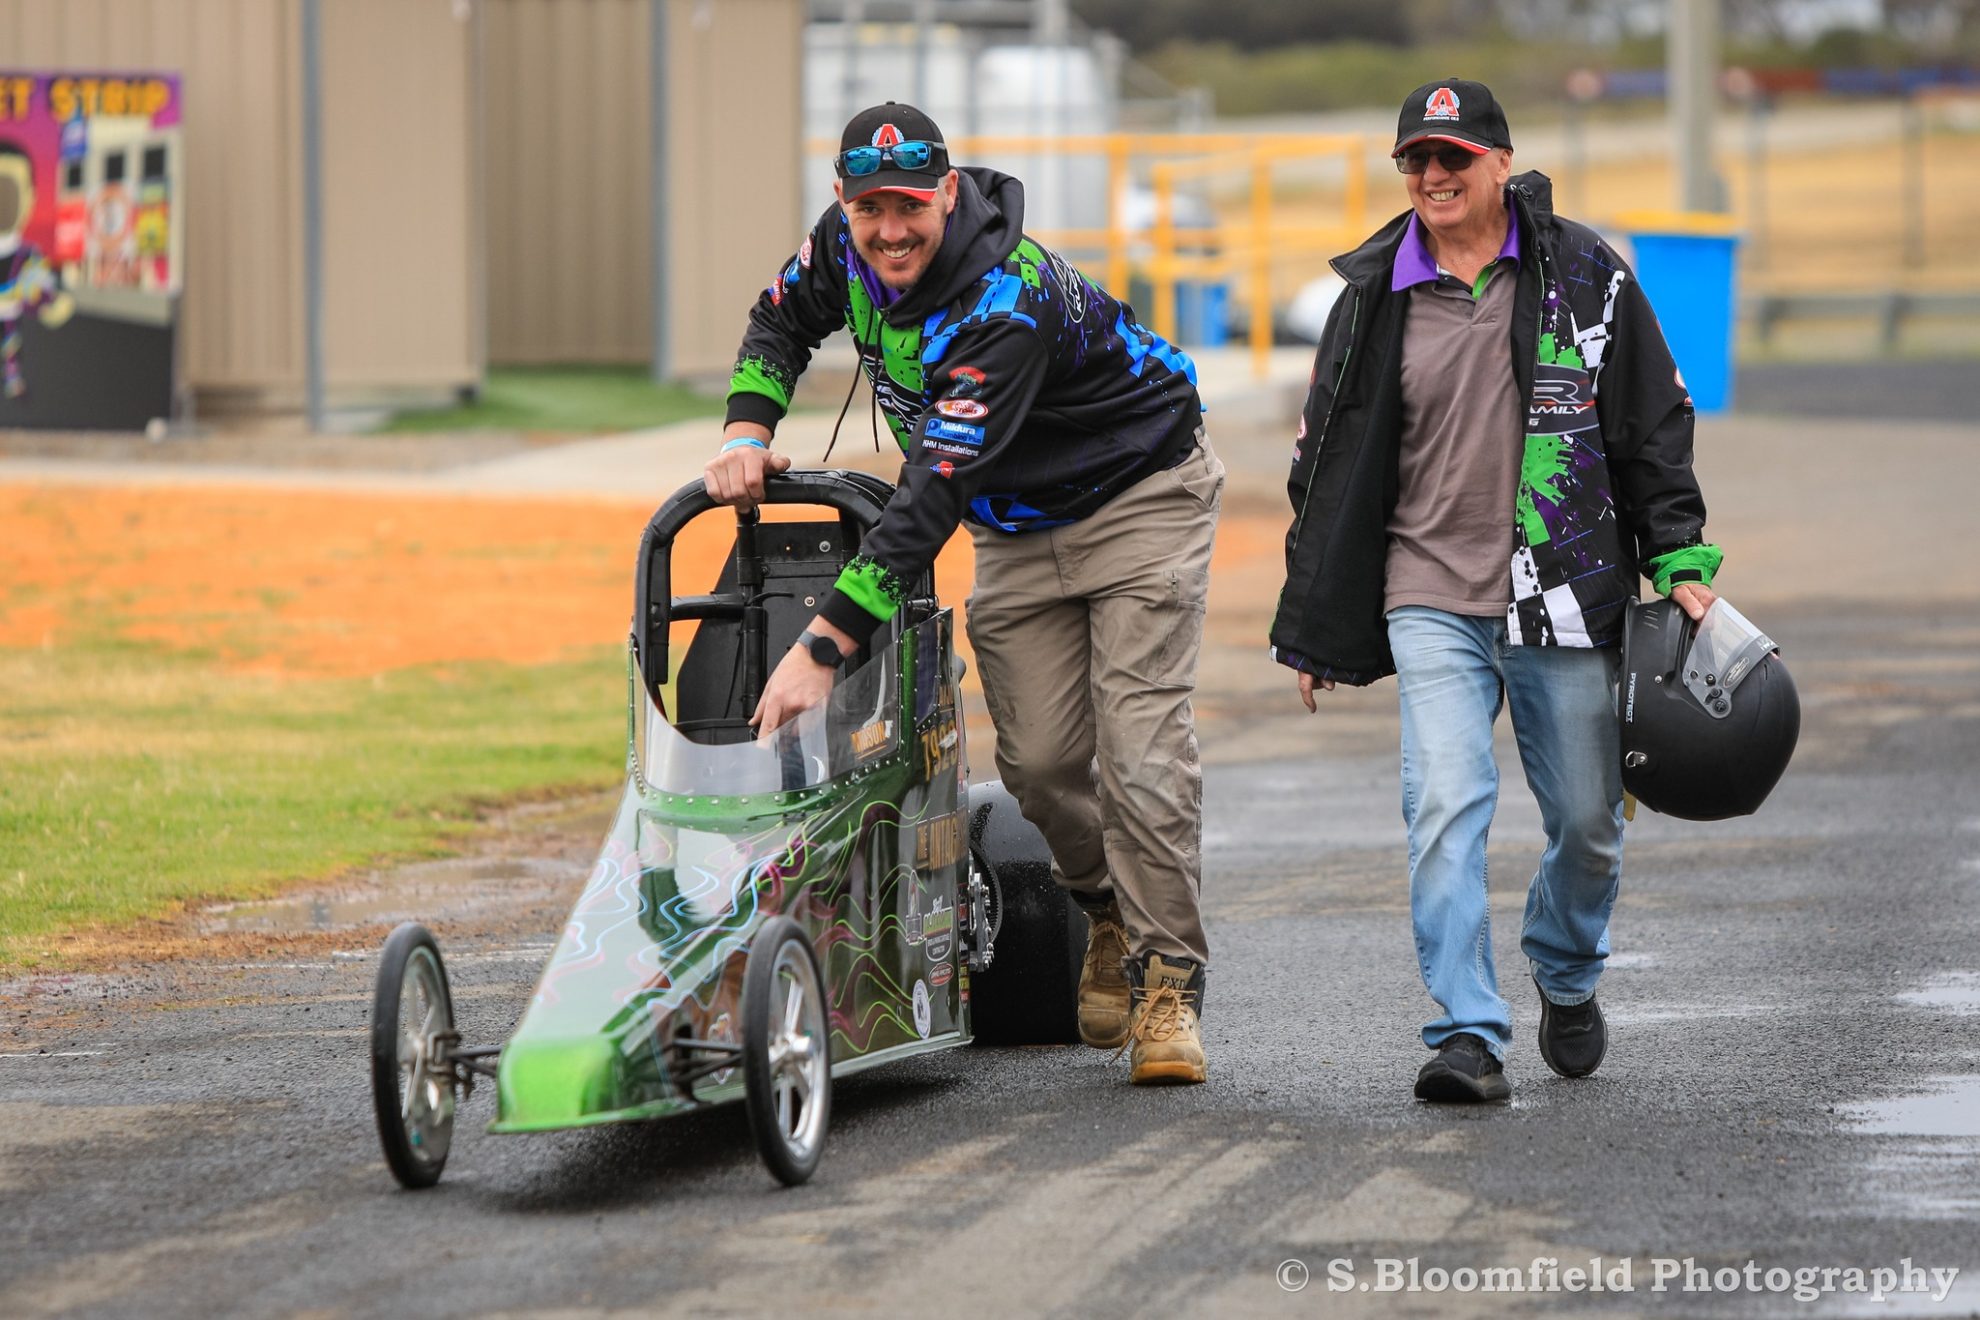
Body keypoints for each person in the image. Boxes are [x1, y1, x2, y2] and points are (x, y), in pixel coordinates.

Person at [702, 102, 1224, 1085]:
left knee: (1141, 749)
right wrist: (745, 428)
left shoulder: (1005, 303)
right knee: (1041, 765)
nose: (890, 229)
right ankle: (1106, 913)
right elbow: (780, 319)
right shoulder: (839, 250)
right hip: (1019, 520)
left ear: (946, 193)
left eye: (910, 206)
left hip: (1140, 493)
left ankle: (1171, 985)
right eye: (870, 209)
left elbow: (931, 493)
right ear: (843, 205)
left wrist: (823, 648)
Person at [1269, 79, 1722, 1103]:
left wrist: (1680, 555)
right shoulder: (1373, 293)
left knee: (1589, 824)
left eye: (1453, 160)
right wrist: (1315, 621)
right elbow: (1325, 460)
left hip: (1564, 598)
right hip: (1425, 592)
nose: (1432, 177)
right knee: (1443, 807)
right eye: (1416, 162)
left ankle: (1564, 970)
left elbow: (1651, 421)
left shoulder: (1583, 273)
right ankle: (1466, 1032)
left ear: (1500, 165)